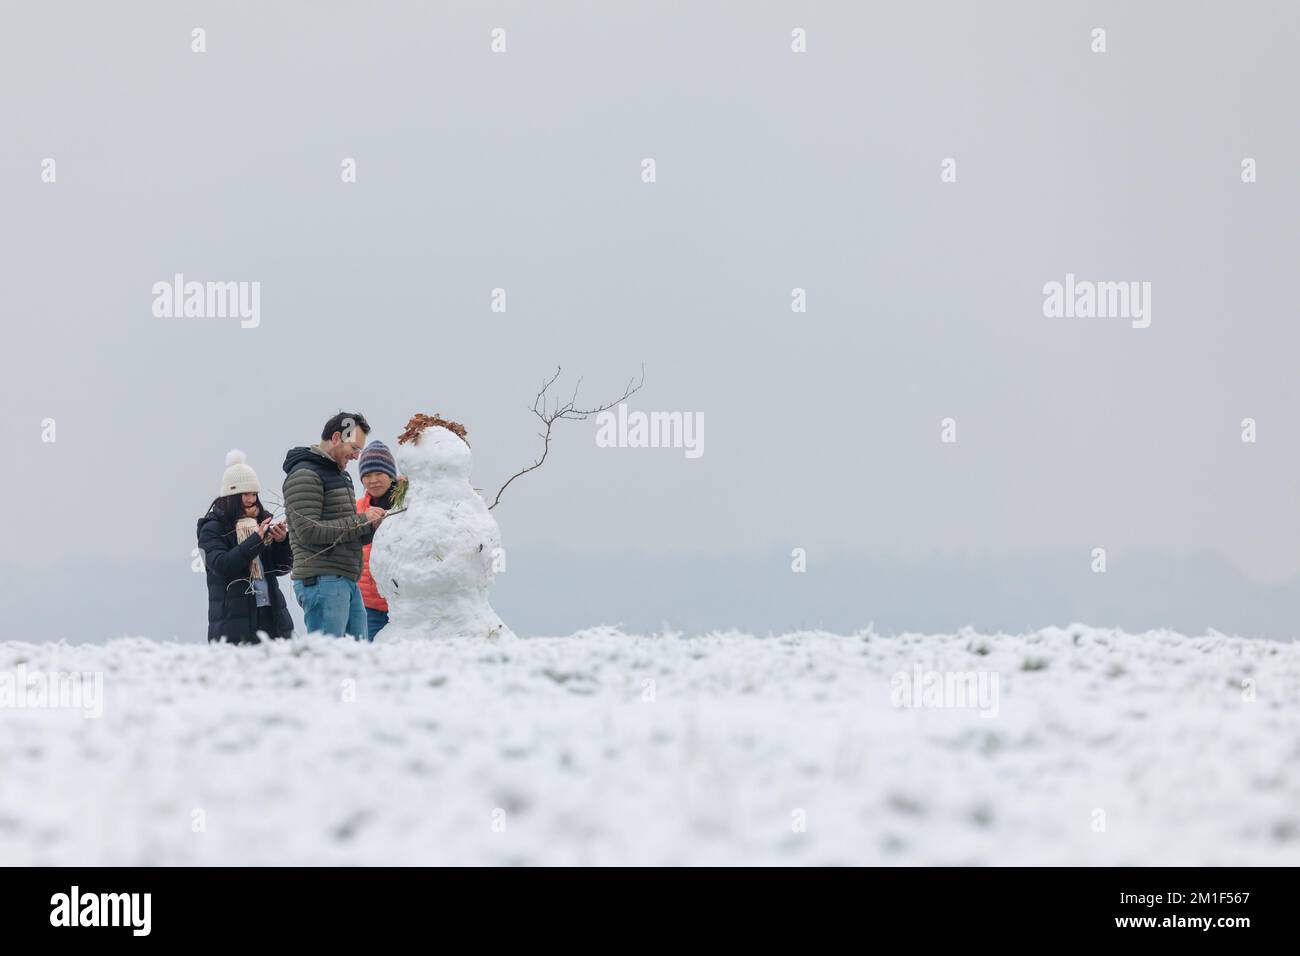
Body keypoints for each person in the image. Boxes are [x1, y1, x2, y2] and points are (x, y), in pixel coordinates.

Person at [282, 412, 386, 640]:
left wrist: (371, 526)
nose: (357, 456)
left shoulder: (339, 476)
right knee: (330, 662)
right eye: (355, 448)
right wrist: (362, 520)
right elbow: (309, 531)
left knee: (356, 657)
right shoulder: (305, 474)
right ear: (337, 437)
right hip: (323, 581)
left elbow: (346, 532)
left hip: (345, 580)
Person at [197, 450, 294, 644]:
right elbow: (222, 565)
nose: (251, 499)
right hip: (233, 624)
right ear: (230, 496)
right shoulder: (212, 527)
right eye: (245, 494)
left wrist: (282, 541)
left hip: (272, 616)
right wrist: (256, 540)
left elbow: (281, 568)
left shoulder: (262, 521)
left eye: (254, 493)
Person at [355, 440, 402, 639]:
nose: (373, 480)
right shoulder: (357, 509)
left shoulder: (408, 505)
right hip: (369, 606)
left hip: (403, 605)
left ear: (391, 475)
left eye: (378, 474)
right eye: (367, 475)